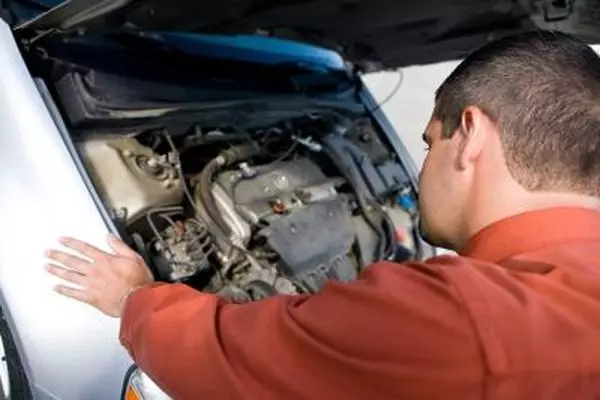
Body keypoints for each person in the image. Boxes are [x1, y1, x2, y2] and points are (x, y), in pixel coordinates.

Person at [45, 30, 600, 399]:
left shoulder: (462, 319)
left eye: (429, 143)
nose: (420, 165)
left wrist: (132, 299)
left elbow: (224, 357)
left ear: (471, 134)